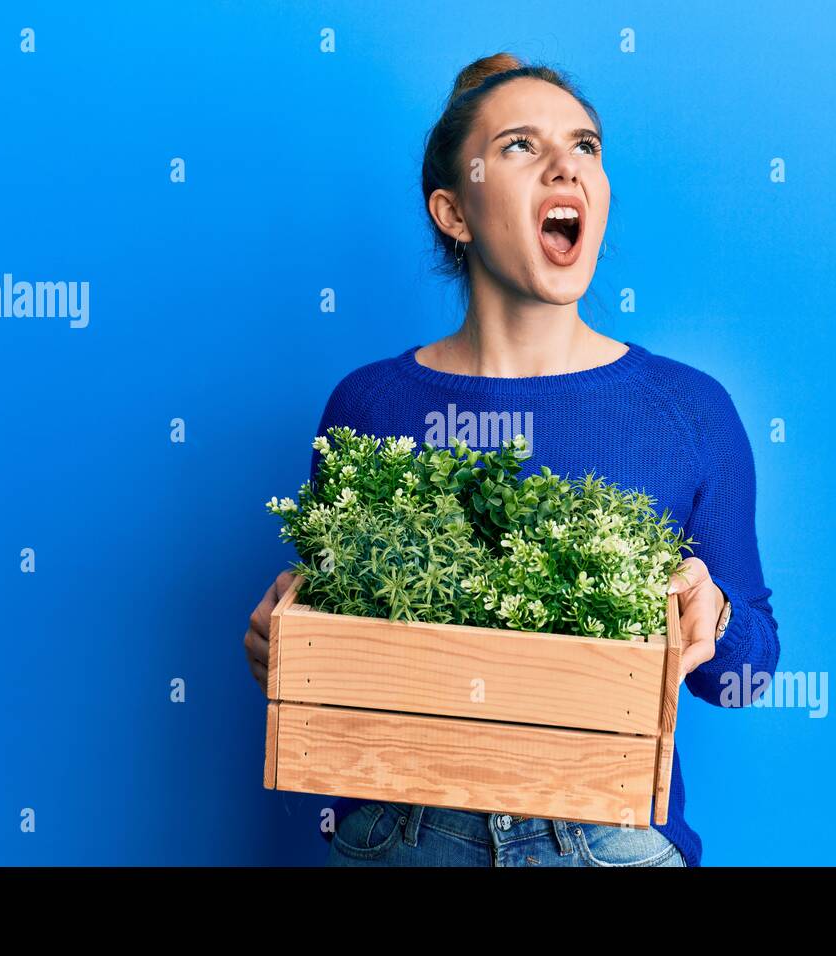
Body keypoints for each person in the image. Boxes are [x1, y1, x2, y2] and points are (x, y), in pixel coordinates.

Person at [244, 52, 780, 867]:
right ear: (454, 212)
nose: (568, 163)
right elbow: (338, 656)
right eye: (522, 145)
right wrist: (286, 641)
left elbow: (745, 676)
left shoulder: (689, 411)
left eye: (586, 146)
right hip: (400, 836)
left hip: (610, 839)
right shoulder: (369, 407)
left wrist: (718, 619)